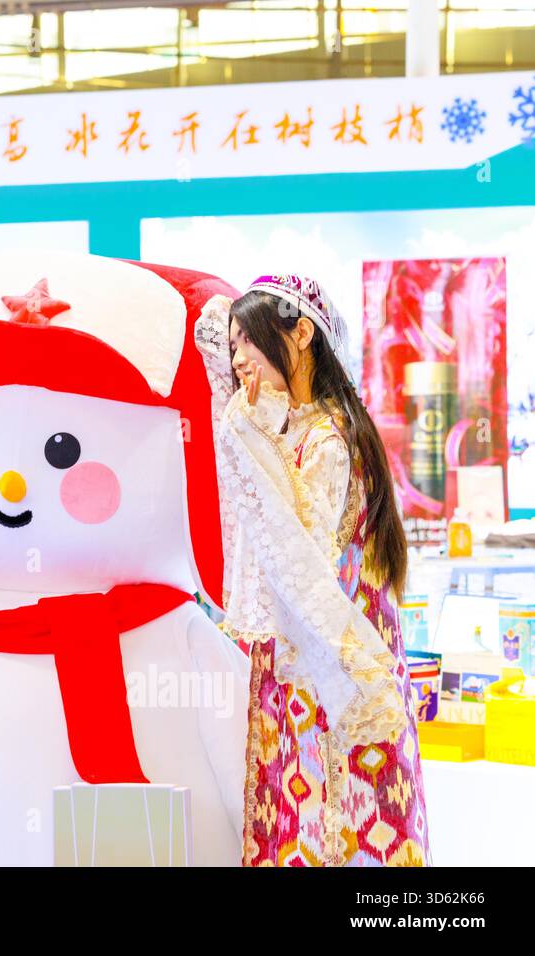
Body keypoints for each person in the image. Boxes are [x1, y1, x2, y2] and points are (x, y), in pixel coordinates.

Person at [195, 274, 429, 867]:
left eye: (249, 341)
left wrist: (244, 435)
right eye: (234, 344)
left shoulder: (327, 439)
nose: (240, 358)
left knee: (341, 821)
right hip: (299, 665)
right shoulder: (294, 429)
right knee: (298, 814)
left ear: (301, 334)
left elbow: (301, 555)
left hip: (332, 664)